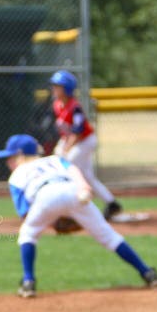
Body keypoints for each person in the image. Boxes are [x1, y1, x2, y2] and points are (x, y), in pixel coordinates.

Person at [0, 133, 157, 298]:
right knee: (108, 235)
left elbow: (25, 214)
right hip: (74, 191)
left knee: (27, 234)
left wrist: (52, 222)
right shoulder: (55, 159)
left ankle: (28, 282)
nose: (8, 162)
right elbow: (73, 169)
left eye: (11, 157)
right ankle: (147, 273)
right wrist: (84, 187)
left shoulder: (16, 175)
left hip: (44, 195)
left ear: (21, 155)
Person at [49, 70, 122, 220]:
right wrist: (63, 146)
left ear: (67, 89)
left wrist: (65, 149)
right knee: (87, 177)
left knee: (66, 167)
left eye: (58, 86)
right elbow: (67, 132)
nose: (54, 89)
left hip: (85, 141)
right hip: (73, 141)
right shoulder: (57, 105)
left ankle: (68, 208)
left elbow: (78, 131)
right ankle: (112, 204)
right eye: (54, 86)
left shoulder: (74, 106)